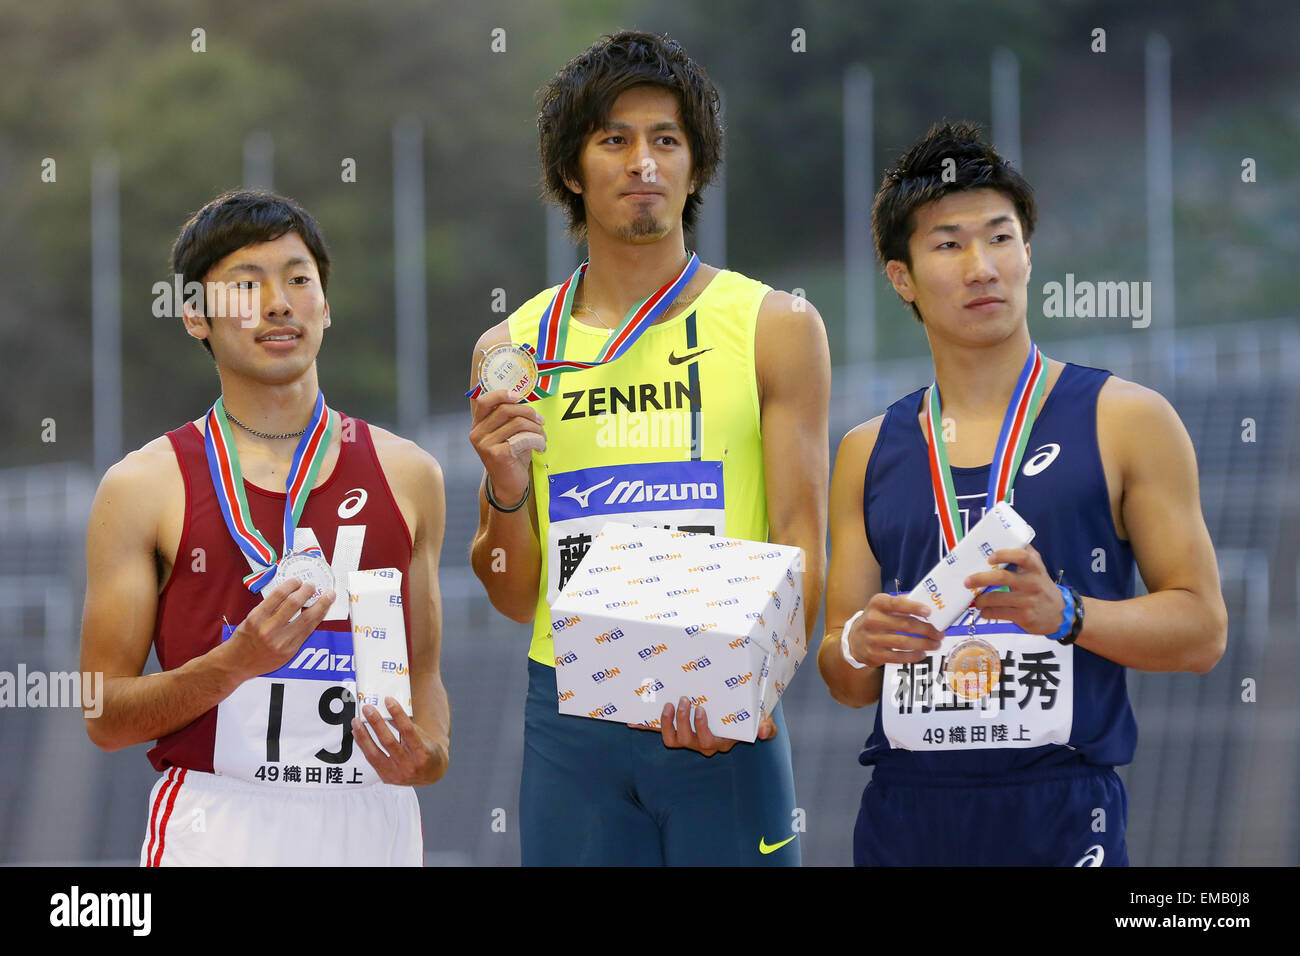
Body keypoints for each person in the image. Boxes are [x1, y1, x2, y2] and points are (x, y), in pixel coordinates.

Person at [818, 121, 1228, 866]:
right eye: (948, 244)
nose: (981, 267)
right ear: (901, 277)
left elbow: (1203, 631)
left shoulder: (1127, 420)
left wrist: (1068, 613)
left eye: (1000, 238)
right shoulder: (864, 451)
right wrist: (858, 642)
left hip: (1060, 807)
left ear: (1029, 253)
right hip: (909, 812)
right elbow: (845, 678)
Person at [468, 31, 829, 866]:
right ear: (571, 170)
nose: (644, 163)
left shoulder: (775, 326)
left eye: (666, 139)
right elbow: (511, 594)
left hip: (721, 708)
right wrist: (505, 487)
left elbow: (801, 535)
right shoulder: (513, 347)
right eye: (614, 140)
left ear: (696, 166)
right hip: (572, 717)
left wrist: (759, 680)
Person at [79, 190, 450, 866]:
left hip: (376, 820)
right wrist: (237, 663)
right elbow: (104, 715)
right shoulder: (143, 486)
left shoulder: (409, 475)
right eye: (246, 286)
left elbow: (425, 683)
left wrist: (428, 758)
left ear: (326, 306)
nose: (279, 303)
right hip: (221, 821)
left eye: (299, 279)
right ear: (196, 317)